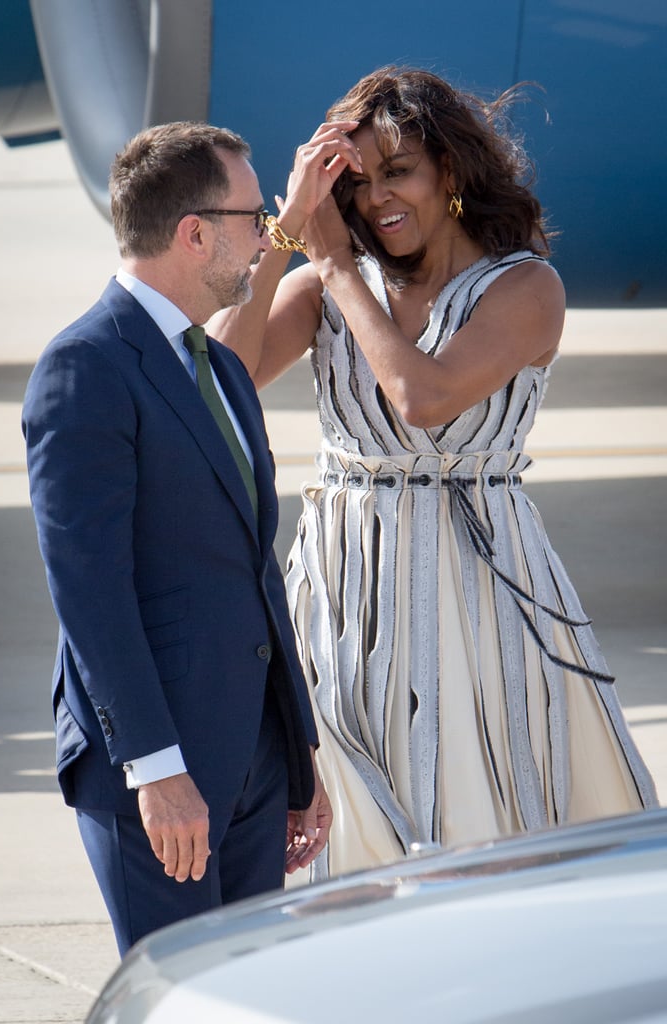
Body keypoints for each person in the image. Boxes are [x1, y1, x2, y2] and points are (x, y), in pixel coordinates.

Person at [211, 66, 658, 877]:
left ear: (448, 169)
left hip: (478, 584)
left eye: (399, 171)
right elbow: (214, 380)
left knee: (489, 790)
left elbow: (425, 398)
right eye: (359, 182)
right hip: (343, 581)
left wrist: (338, 268)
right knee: (340, 799)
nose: (379, 198)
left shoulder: (525, 287)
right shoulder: (323, 281)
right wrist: (289, 229)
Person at [22, 121, 331, 954]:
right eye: (252, 216)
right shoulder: (85, 367)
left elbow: (252, 568)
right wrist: (155, 769)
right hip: (163, 776)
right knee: (183, 1002)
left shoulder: (222, 365)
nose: (267, 233)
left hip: (256, 764)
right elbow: (89, 589)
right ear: (195, 233)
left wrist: (298, 754)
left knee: (250, 1000)